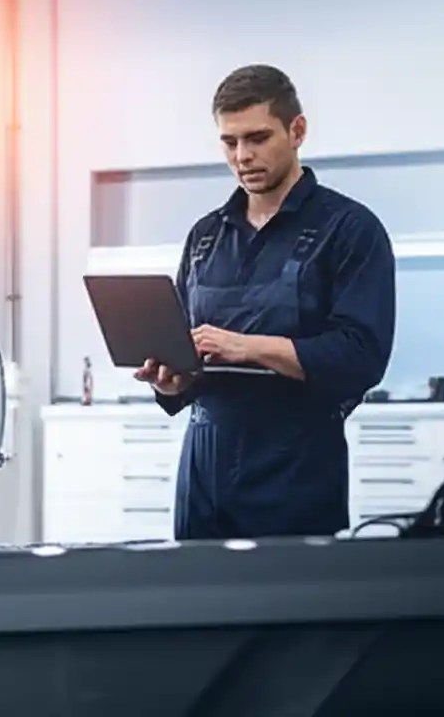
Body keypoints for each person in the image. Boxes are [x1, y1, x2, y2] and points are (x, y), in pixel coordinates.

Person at [135, 64, 396, 540]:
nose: (242, 156)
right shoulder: (205, 237)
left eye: (257, 138)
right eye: (229, 142)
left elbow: (362, 356)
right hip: (203, 475)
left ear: (297, 131)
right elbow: (186, 358)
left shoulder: (350, 229)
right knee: (198, 611)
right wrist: (171, 383)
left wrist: (248, 346)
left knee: (288, 609)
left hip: (297, 474)